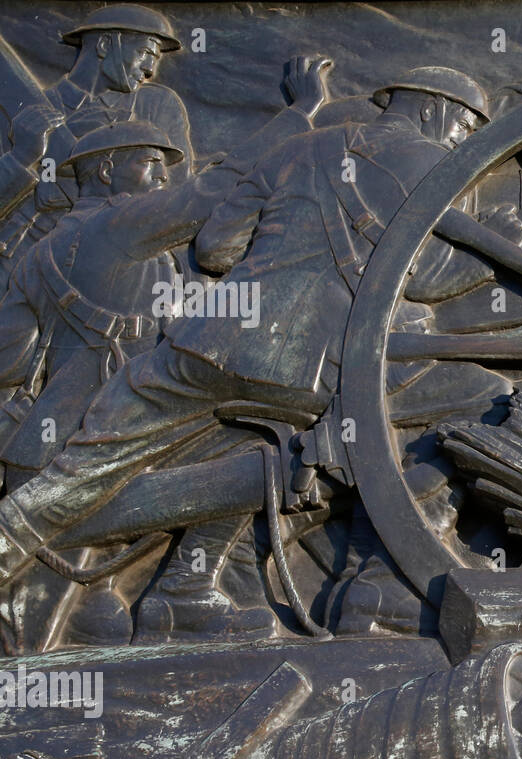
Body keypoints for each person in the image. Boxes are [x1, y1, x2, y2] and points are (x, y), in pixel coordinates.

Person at [0, 67, 522, 614]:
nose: (464, 139)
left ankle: (168, 578)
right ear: (432, 110)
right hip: (323, 369)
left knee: (97, 457)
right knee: (480, 401)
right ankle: (377, 573)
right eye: (464, 126)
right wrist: (496, 249)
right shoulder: (439, 168)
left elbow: (216, 250)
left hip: (209, 345)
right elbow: (427, 278)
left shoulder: (300, 147)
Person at [0, 57, 330, 650]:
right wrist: (299, 114)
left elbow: (9, 363)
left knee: (254, 434)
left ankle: (186, 593)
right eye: (151, 164)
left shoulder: (39, 252)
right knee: (273, 455)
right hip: (99, 461)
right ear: (106, 170)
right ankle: (182, 592)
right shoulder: (119, 227)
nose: (160, 180)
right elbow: (215, 189)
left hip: (39, 450)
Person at [0, 4, 194, 279]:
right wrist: (21, 157)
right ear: (105, 44)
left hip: (121, 269)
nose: (151, 68)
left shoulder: (157, 105)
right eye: (145, 52)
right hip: (28, 264)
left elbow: (178, 199)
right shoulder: (25, 112)